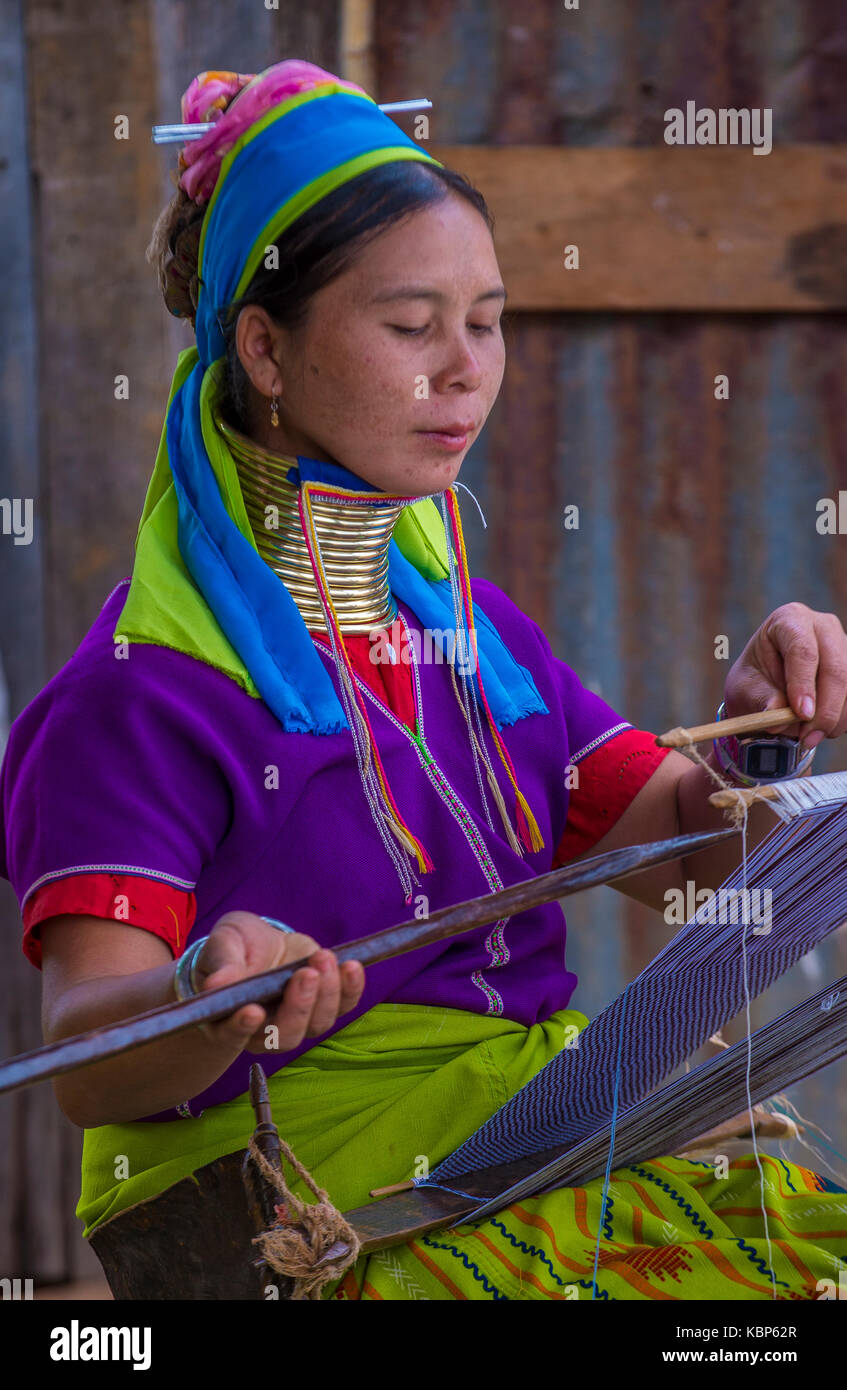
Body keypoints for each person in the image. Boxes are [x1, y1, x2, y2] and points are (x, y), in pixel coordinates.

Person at [2, 58, 847, 1301]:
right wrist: (198, 990)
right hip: (304, 1207)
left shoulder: (475, 644)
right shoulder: (143, 696)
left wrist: (759, 745)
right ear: (265, 351)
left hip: (525, 1144)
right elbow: (85, 1062)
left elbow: (688, 857)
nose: (465, 369)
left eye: (488, 318)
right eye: (411, 325)